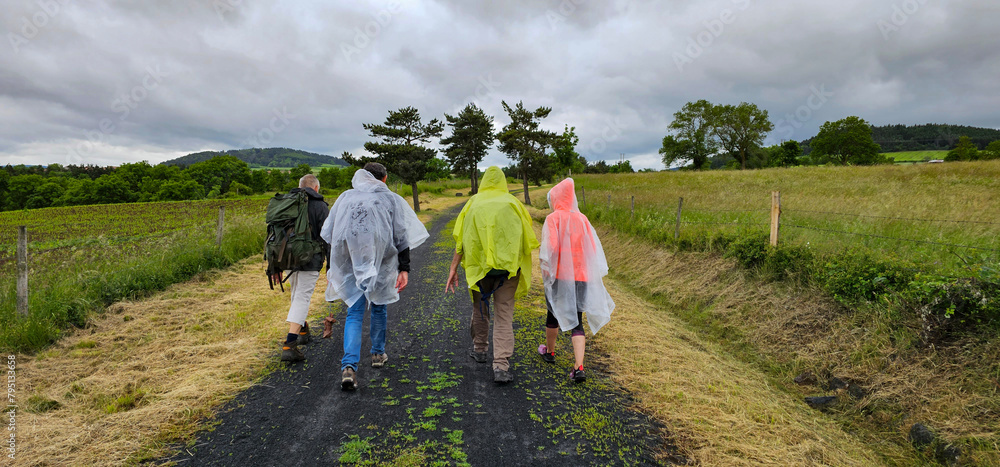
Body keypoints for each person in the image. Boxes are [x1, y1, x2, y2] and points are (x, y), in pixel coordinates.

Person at [321, 162, 428, 390]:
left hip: (350, 263)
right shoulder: (390, 199)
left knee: (355, 312)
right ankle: (378, 354)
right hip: (383, 263)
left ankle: (349, 366)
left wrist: (331, 268)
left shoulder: (346, 198)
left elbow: (332, 236)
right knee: (379, 305)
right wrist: (404, 268)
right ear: (385, 178)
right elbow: (401, 236)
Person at [446, 166, 540, 384]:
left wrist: (453, 268)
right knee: (504, 314)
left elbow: (461, 240)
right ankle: (501, 366)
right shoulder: (513, 204)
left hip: (479, 269)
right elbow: (527, 239)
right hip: (508, 271)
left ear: (484, 181)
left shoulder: (472, 203)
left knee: (480, 307)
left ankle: (479, 350)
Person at [536, 178, 615, 382]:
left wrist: (546, 269)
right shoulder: (583, 219)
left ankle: (550, 352)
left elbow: (550, 248)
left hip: (561, 275)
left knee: (552, 311)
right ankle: (579, 367)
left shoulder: (553, 219)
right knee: (577, 319)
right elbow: (593, 249)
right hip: (582, 276)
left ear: (555, 198)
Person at [279, 174, 330, 362]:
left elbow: (276, 234)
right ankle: (290, 344)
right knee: (302, 297)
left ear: (300, 187)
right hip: (311, 258)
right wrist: (331, 266)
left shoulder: (287, 203)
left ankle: (302, 329)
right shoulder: (320, 206)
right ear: (316, 188)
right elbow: (328, 237)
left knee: (296, 294)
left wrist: (275, 265)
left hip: (287, 258)